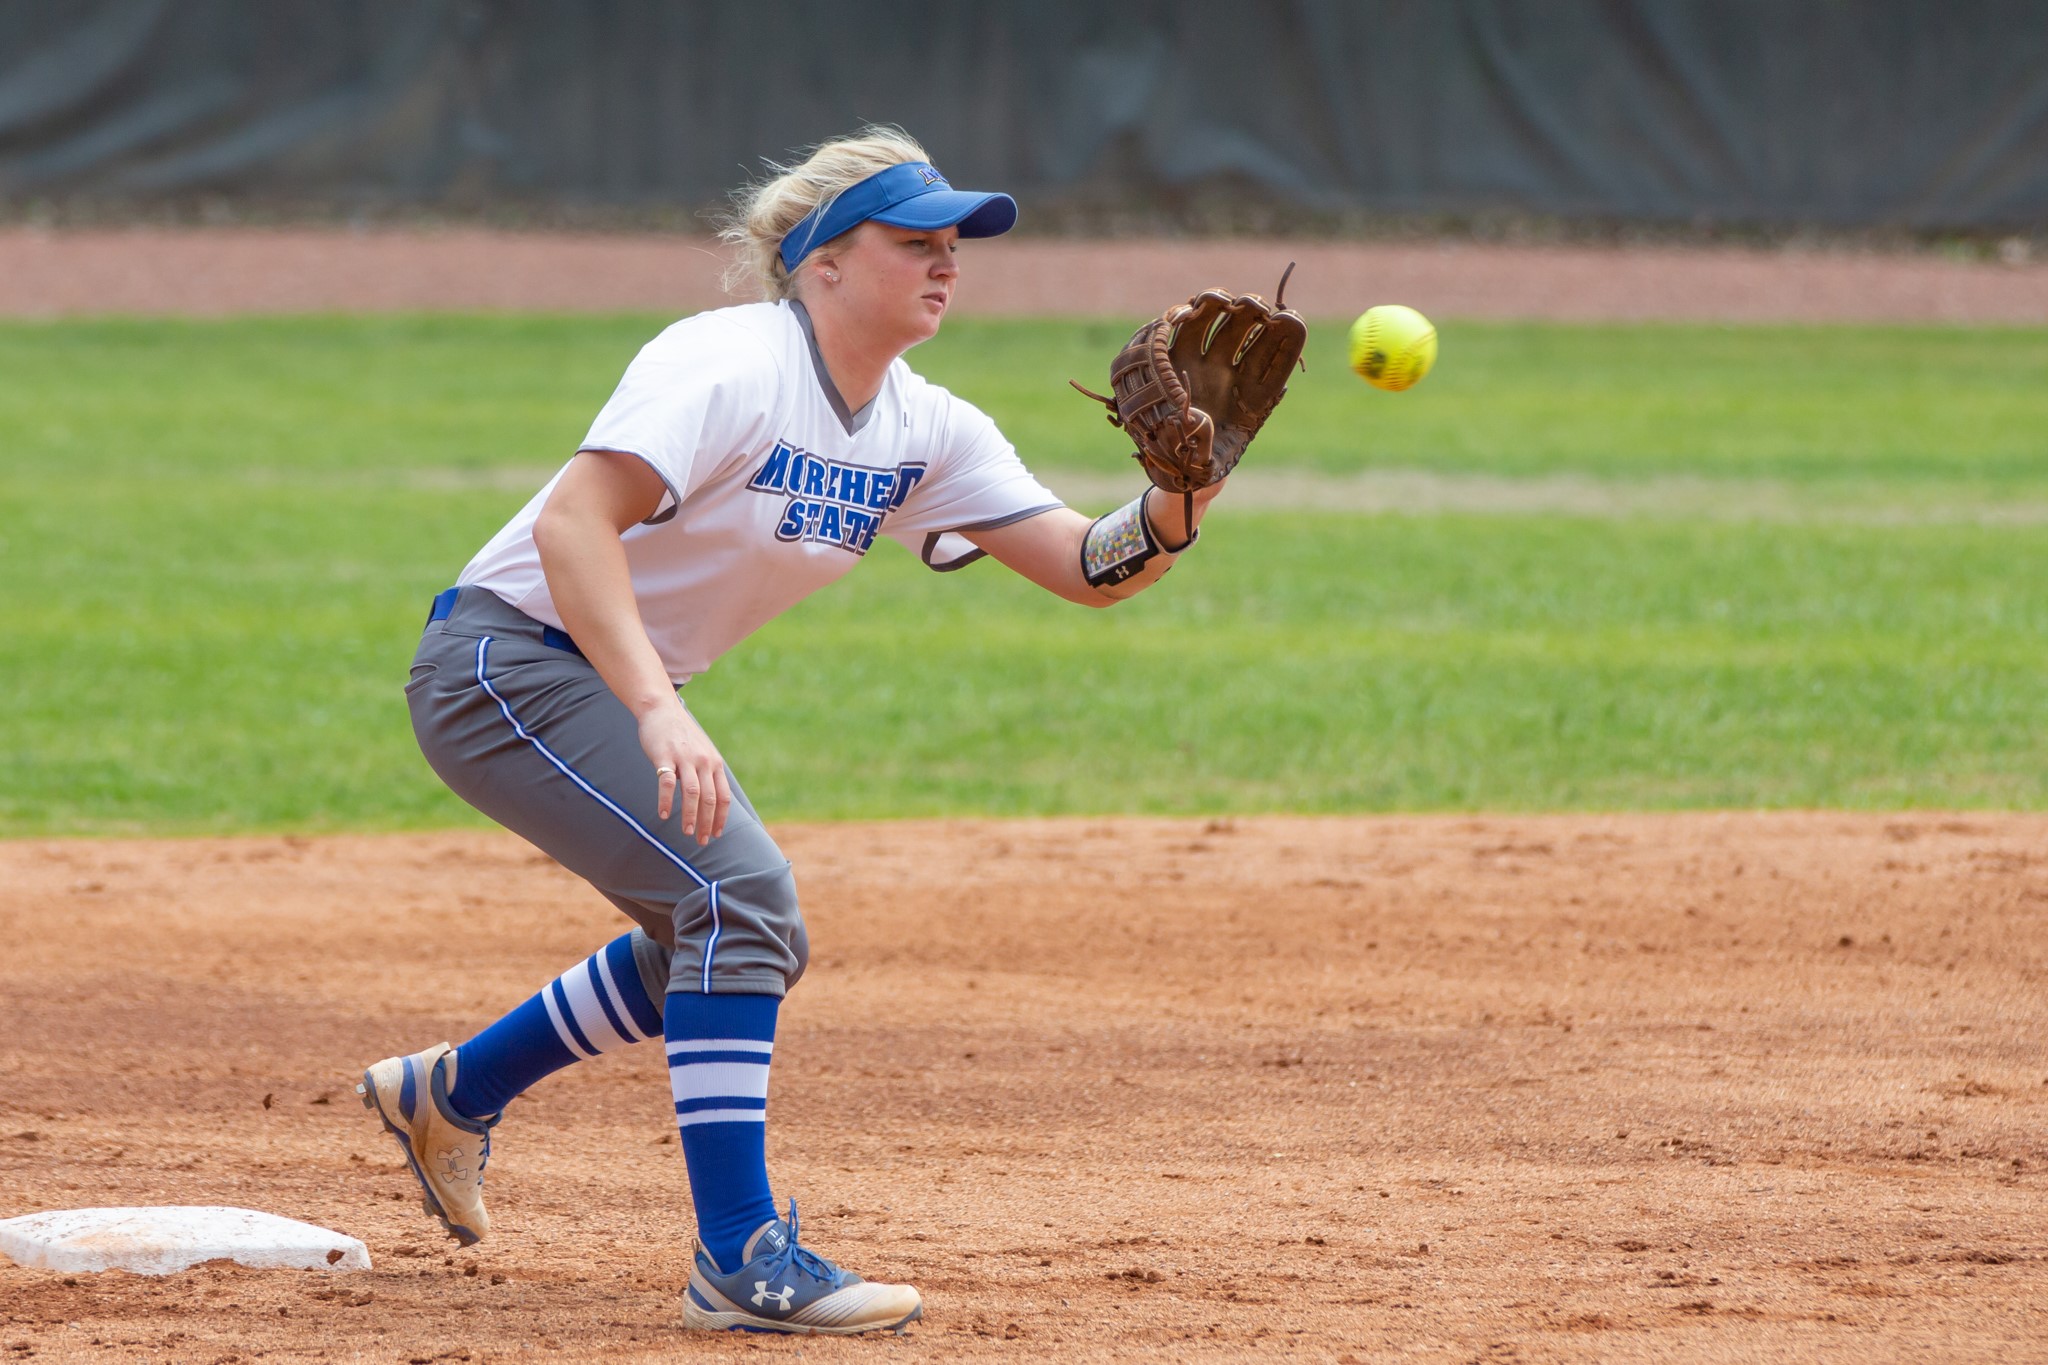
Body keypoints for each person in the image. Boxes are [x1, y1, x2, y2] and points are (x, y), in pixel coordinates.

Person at [355, 126, 1223, 1336]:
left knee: (724, 933)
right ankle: (738, 1259)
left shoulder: (925, 425)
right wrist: (655, 708)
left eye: (954, 244)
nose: (946, 263)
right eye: (913, 240)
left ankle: (452, 1092)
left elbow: (1088, 568)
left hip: (598, 682)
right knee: (741, 906)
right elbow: (571, 525)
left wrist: (1185, 493)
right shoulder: (724, 363)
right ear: (819, 262)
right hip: (501, 665)